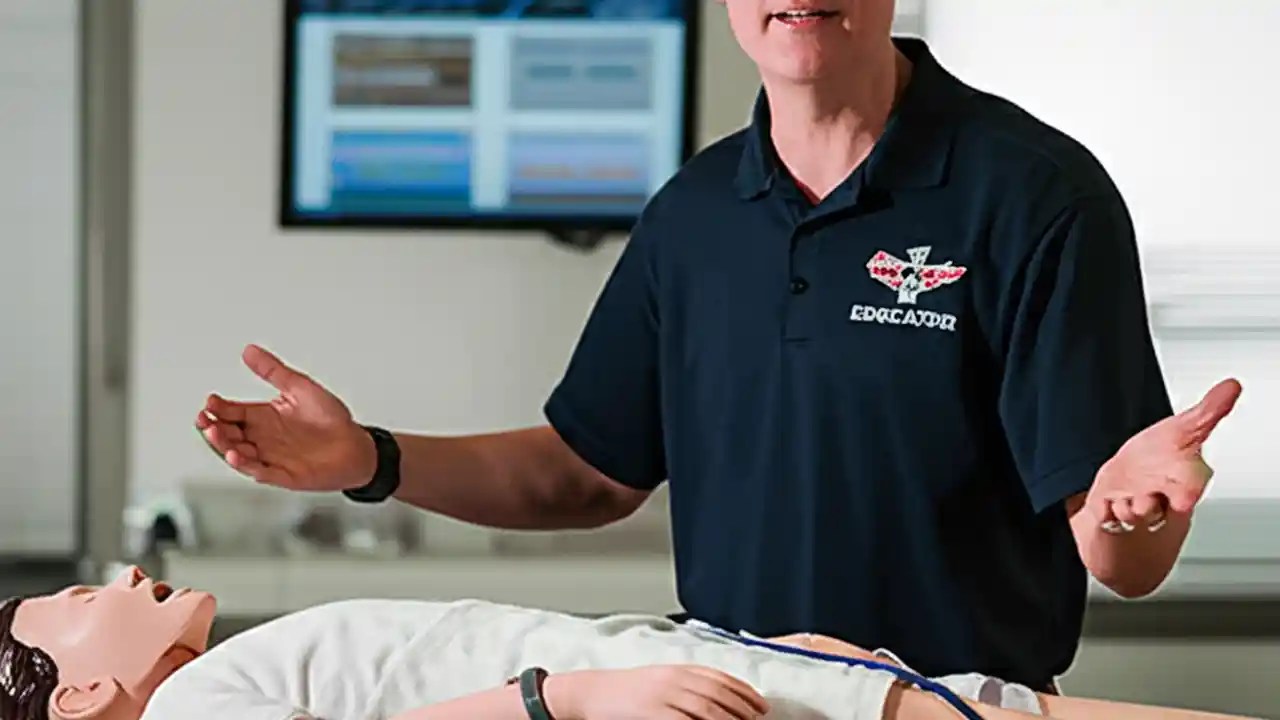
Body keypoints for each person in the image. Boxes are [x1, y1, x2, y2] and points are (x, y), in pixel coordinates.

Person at [196, 0, 1243, 692]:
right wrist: (369, 458)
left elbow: (1121, 553)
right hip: (726, 701)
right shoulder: (693, 212)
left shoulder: (1034, 195)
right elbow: (585, 473)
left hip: (949, 706)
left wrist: (1134, 514)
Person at [0, 567, 1259, 720]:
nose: (120, 578)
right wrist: (564, 703)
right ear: (83, 694)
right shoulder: (190, 713)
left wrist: (751, 643)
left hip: (685, 665)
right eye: (77, 599)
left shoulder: (227, 678)